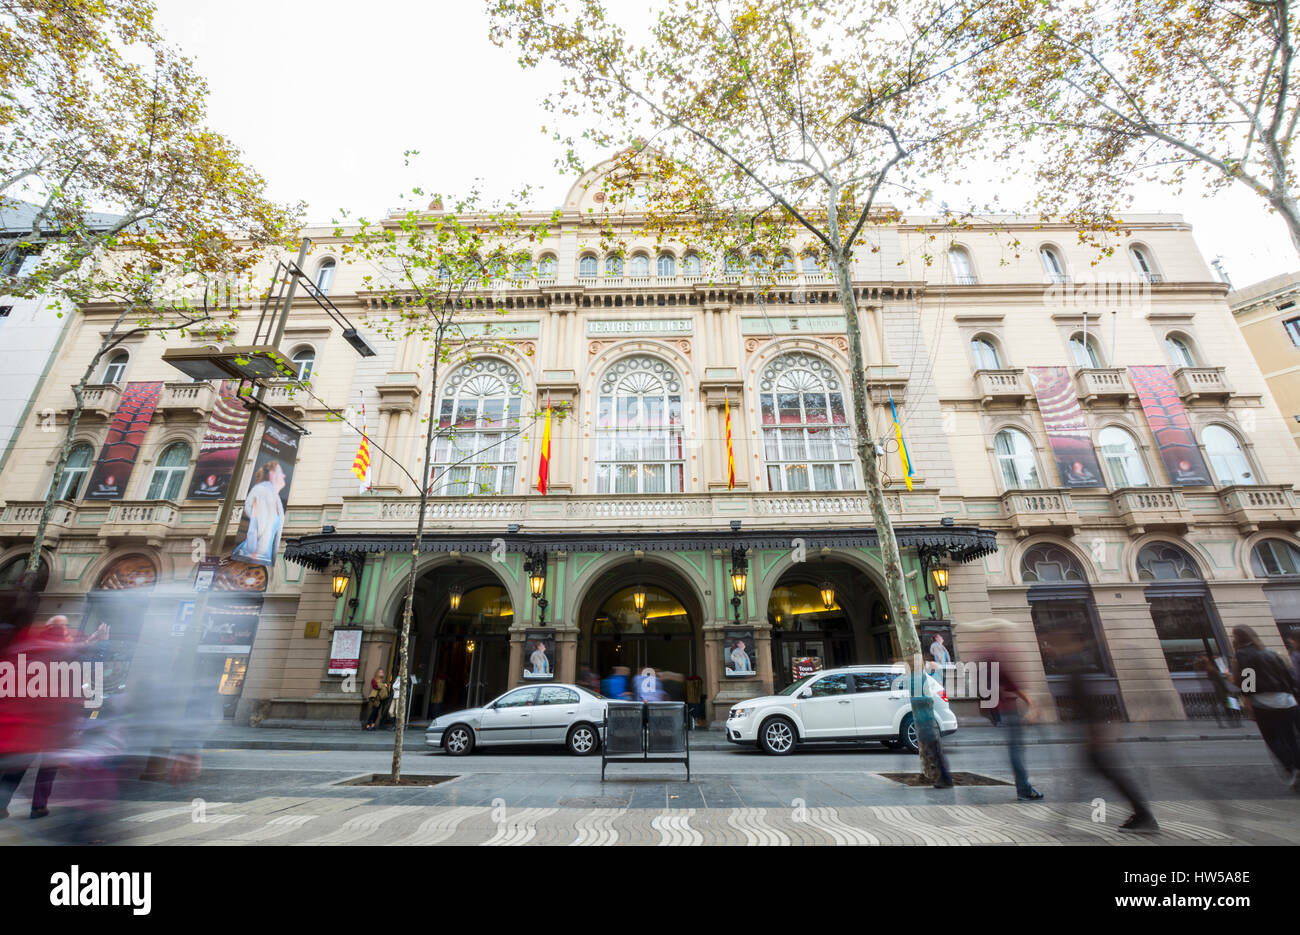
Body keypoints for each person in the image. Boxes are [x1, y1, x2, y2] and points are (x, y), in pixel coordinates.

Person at [1059, 629, 1158, 832]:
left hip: (1095, 732)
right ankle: (1142, 814)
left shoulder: (1075, 663)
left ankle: (1143, 815)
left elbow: (1087, 700)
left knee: (1109, 773)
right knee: (1104, 773)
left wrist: (1095, 730)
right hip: (1095, 730)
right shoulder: (1074, 662)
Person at [956, 619, 1043, 801]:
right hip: (1006, 707)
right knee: (1016, 748)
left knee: (1014, 747)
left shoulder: (982, 653)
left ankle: (1022, 787)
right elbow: (1011, 683)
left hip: (995, 708)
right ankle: (1024, 789)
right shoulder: (995, 653)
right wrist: (1032, 703)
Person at [1227, 626, 1300, 789]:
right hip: (1288, 701)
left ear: (1238, 638)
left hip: (1264, 702)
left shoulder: (1244, 655)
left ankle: (1291, 767)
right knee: (1292, 737)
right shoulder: (1271, 653)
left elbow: (1248, 682)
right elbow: (1290, 678)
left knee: (1272, 738)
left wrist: (1247, 704)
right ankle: (1298, 766)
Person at [232, 460, 287, 565]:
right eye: (280, 472)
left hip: (265, 556)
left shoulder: (276, 499)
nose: (284, 476)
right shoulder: (261, 492)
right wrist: (253, 554)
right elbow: (253, 528)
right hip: (252, 554)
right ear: (271, 474)